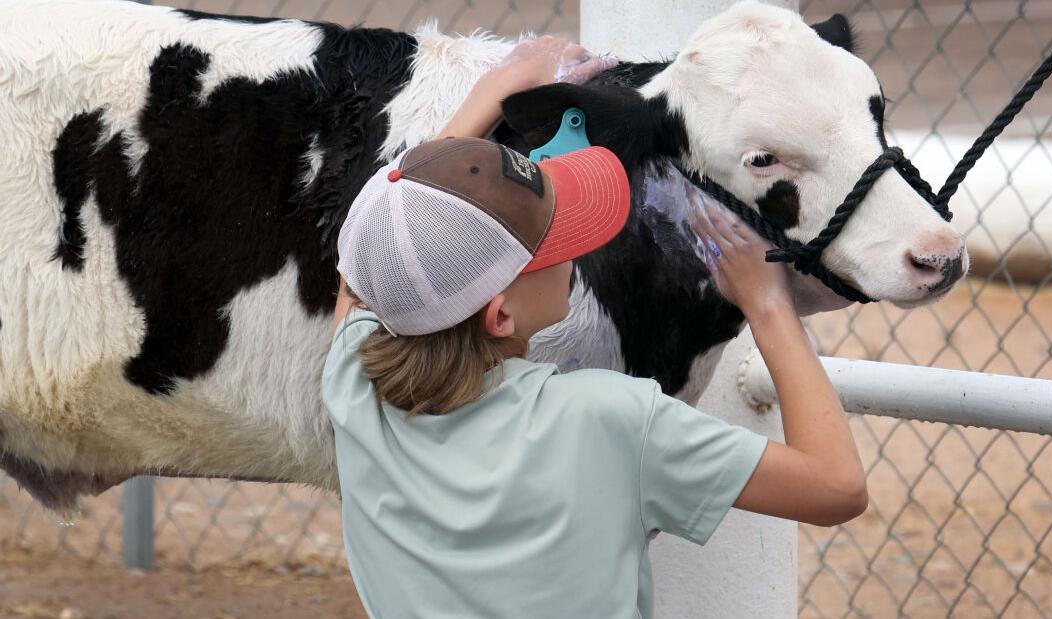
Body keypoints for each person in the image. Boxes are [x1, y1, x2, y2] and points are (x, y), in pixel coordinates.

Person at [322, 37, 867, 619]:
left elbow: (370, 263)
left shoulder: (355, 380)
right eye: (554, 240)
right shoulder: (612, 419)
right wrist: (769, 308)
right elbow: (836, 487)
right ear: (500, 316)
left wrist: (486, 98)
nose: (575, 246)